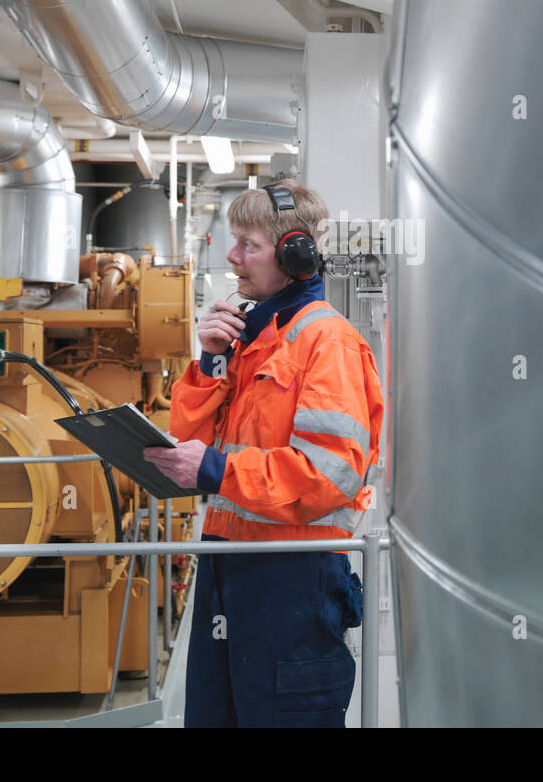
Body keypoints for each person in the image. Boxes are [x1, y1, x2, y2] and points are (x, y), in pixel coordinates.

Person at [144, 180, 384, 727]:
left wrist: (212, 468)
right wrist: (208, 363)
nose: (231, 257)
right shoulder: (251, 341)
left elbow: (329, 475)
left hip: (292, 576)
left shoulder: (329, 343)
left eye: (247, 244)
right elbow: (188, 432)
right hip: (227, 565)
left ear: (294, 253)